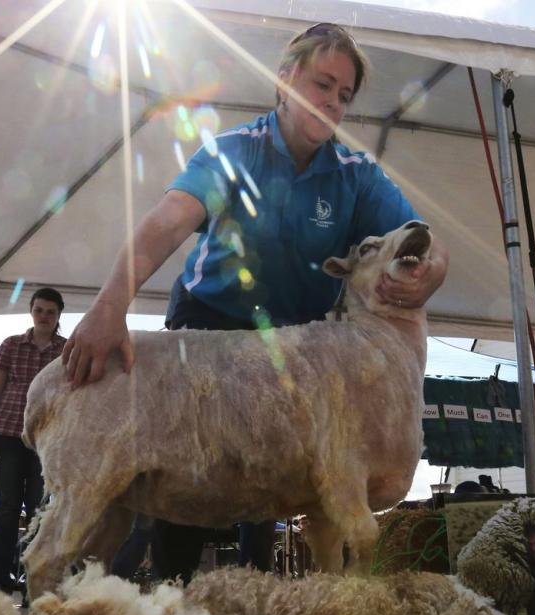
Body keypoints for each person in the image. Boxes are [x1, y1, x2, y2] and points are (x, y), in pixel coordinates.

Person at [59, 23, 447, 585]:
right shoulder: (233, 151)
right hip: (208, 327)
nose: (333, 102)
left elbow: (428, 242)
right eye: (323, 84)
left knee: (278, 473)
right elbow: (166, 223)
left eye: (344, 95)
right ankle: (173, 593)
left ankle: (256, 600)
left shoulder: (356, 176)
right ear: (285, 77)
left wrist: (430, 275)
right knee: (189, 469)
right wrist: (109, 306)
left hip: (291, 343)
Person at [0, 287, 66, 593]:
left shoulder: (67, 350)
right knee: (7, 506)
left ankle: (36, 579)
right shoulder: (11, 345)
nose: (44, 316)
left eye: (50, 312)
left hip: (46, 437)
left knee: (39, 507)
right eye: (39, 310)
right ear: (31, 311)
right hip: (8, 432)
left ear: (59, 316)